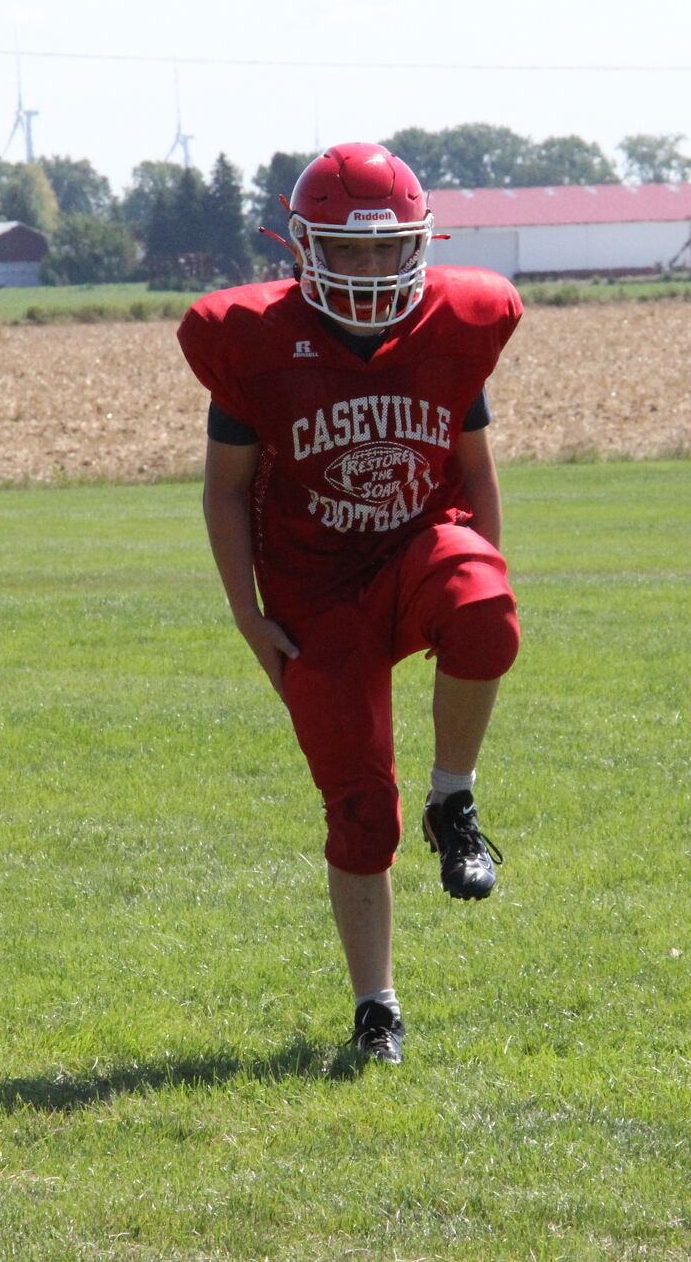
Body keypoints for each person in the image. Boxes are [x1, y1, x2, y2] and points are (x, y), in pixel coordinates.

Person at [177, 142, 523, 1066]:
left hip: (416, 549)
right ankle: (378, 1006)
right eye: (348, 248)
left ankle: (456, 800)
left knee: (489, 608)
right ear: (302, 246)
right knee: (362, 811)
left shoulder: (455, 323)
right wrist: (249, 617)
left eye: (387, 248)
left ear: (420, 243)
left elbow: (478, 471)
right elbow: (223, 491)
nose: (370, 268)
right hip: (315, 590)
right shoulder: (253, 340)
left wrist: (479, 577)